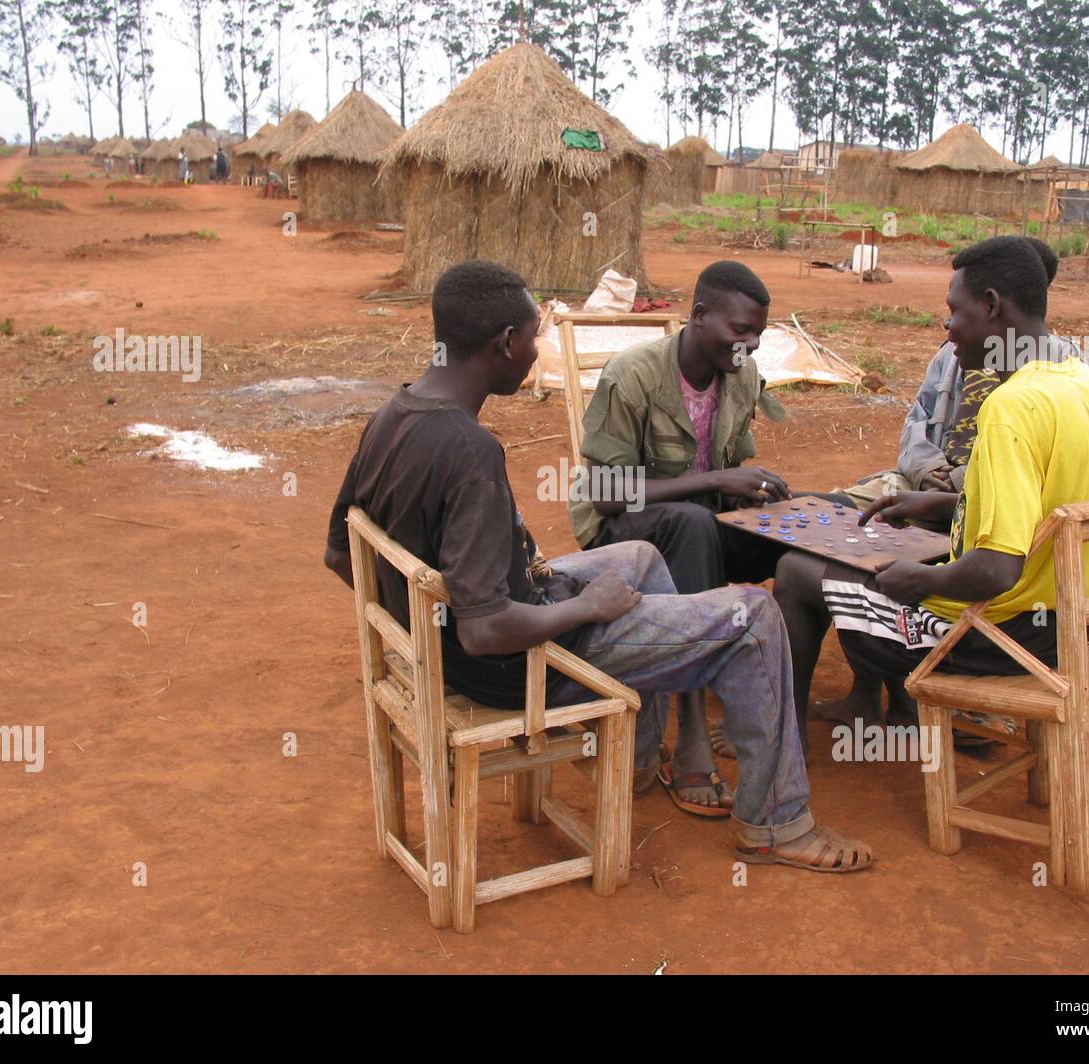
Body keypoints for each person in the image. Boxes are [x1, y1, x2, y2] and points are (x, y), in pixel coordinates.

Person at [325, 259, 873, 874]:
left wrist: (422, 631)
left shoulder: (393, 416)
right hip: (514, 664)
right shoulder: (469, 451)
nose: (535, 351)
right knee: (755, 615)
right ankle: (774, 824)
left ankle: (637, 758)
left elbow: (340, 554)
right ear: (506, 343)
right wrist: (584, 608)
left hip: (483, 635)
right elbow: (485, 630)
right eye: (533, 336)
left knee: (640, 557)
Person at [772, 236, 1089, 739]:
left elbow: (996, 569)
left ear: (990, 305)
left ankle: (781, 742)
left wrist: (921, 582)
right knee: (886, 553)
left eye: (954, 310)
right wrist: (941, 504)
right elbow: (1046, 509)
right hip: (1064, 626)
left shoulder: (1011, 407)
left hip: (993, 636)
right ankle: (872, 708)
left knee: (795, 570)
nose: (947, 326)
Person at [568, 261, 794, 814]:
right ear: (697, 316)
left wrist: (755, 493)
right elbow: (606, 494)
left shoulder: (740, 377)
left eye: (759, 333)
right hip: (627, 536)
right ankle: (691, 723)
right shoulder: (635, 375)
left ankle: (779, 713)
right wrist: (716, 481)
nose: (750, 345)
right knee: (692, 522)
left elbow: (730, 469)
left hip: (703, 525)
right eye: (740, 330)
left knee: (800, 530)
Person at [839, 238, 1062, 520]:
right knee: (839, 506)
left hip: (991, 501)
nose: (947, 323)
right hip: (924, 482)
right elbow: (918, 418)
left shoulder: (1056, 368)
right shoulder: (954, 354)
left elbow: (1024, 472)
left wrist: (956, 482)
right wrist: (928, 469)